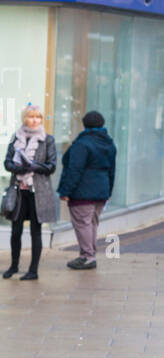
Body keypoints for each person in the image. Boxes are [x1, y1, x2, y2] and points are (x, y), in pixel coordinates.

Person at [1, 105, 57, 280]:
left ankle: (33, 270)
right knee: (15, 231)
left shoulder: (47, 140)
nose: (34, 120)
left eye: (38, 117)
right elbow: (7, 162)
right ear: (24, 118)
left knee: (36, 231)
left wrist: (33, 167)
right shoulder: (16, 138)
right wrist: (17, 167)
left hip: (37, 191)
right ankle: (14, 265)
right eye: (30, 117)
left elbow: (51, 166)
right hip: (19, 190)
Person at [57, 110, 117, 271]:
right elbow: (112, 170)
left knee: (83, 224)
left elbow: (74, 170)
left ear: (84, 125)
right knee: (92, 224)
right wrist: (108, 191)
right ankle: (89, 255)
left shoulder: (82, 144)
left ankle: (87, 256)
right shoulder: (109, 143)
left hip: (83, 192)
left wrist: (65, 191)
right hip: (101, 191)